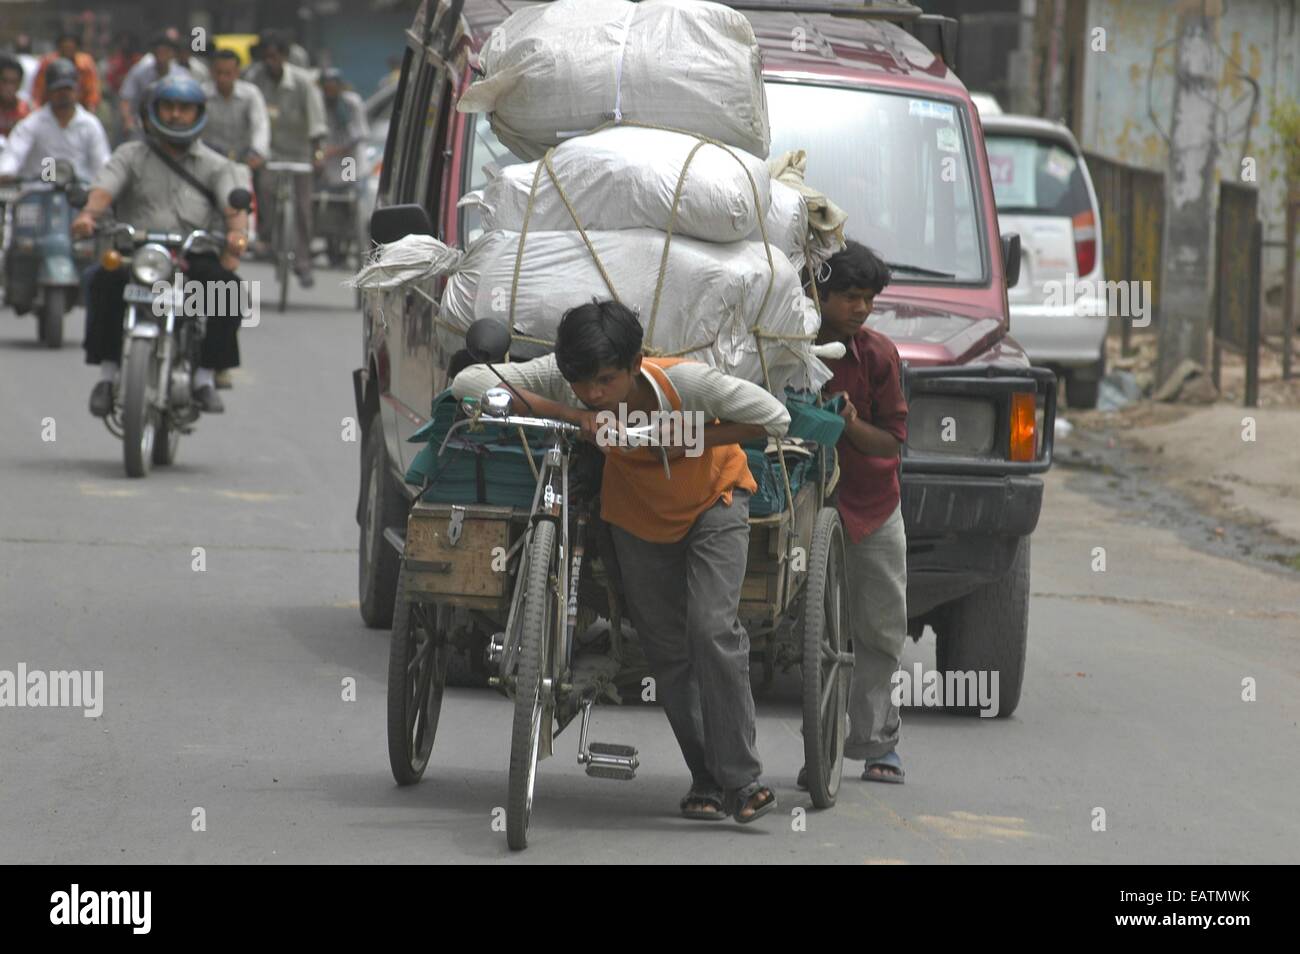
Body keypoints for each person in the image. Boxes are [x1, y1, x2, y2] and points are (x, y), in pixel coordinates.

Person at [451, 300, 789, 824]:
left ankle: (742, 780)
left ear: (636, 365)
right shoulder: (572, 383)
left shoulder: (687, 384)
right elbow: (470, 384)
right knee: (668, 650)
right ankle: (706, 777)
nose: (594, 392)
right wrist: (575, 417)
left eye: (607, 381)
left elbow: (773, 418)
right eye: (580, 381)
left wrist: (672, 436)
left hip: (712, 503)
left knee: (711, 630)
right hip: (636, 519)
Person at [71, 74, 249, 417]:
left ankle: (205, 378)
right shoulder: (130, 155)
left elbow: (234, 206)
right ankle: (107, 375)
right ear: (153, 110)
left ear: (198, 114)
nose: (175, 115)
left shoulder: (216, 164)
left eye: (184, 108)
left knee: (228, 291)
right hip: (136, 255)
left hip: (192, 258)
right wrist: (88, 216)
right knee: (101, 280)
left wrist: (236, 236)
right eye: (168, 106)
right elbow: (104, 190)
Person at [800, 240, 910, 785]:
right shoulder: (787, 348)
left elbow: (891, 444)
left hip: (872, 506)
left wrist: (846, 423)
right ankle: (816, 751)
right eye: (848, 296)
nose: (860, 308)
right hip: (805, 506)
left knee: (881, 627)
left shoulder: (878, 356)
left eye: (867, 298)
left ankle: (875, 743)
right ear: (817, 293)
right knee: (807, 635)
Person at [248, 32, 326, 287]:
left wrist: (317, 154)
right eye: (267, 57)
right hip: (269, 153)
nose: (271, 62)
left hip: (300, 154)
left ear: (284, 56)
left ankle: (303, 262)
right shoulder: (255, 80)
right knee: (266, 191)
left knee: (303, 208)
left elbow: (316, 121)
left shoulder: (303, 83)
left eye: (276, 56)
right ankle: (268, 239)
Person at [0, 59, 110, 183]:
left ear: (77, 90)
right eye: (58, 89)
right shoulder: (32, 124)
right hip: (38, 193)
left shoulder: (90, 125)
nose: (63, 94)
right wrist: (6, 173)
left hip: (78, 194)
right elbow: (14, 154)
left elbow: (102, 165)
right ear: (48, 91)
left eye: (67, 89)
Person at [118, 33, 184, 137]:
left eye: (165, 52)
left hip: (172, 125)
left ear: (172, 53)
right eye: (158, 52)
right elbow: (126, 98)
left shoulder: (182, 76)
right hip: (143, 126)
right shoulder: (139, 72)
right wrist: (127, 120)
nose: (161, 56)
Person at [31, 32, 101, 111]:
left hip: (79, 109)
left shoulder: (85, 65)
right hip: (51, 109)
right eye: (64, 48)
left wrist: (90, 108)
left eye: (70, 48)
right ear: (59, 48)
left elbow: (92, 90)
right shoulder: (48, 64)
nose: (67, 52)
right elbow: (38, 90)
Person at [0, 55, 31, 138]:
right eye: (4, 81)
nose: (9, 87)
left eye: (13, 82)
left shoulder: (27, 112)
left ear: (20, 84)